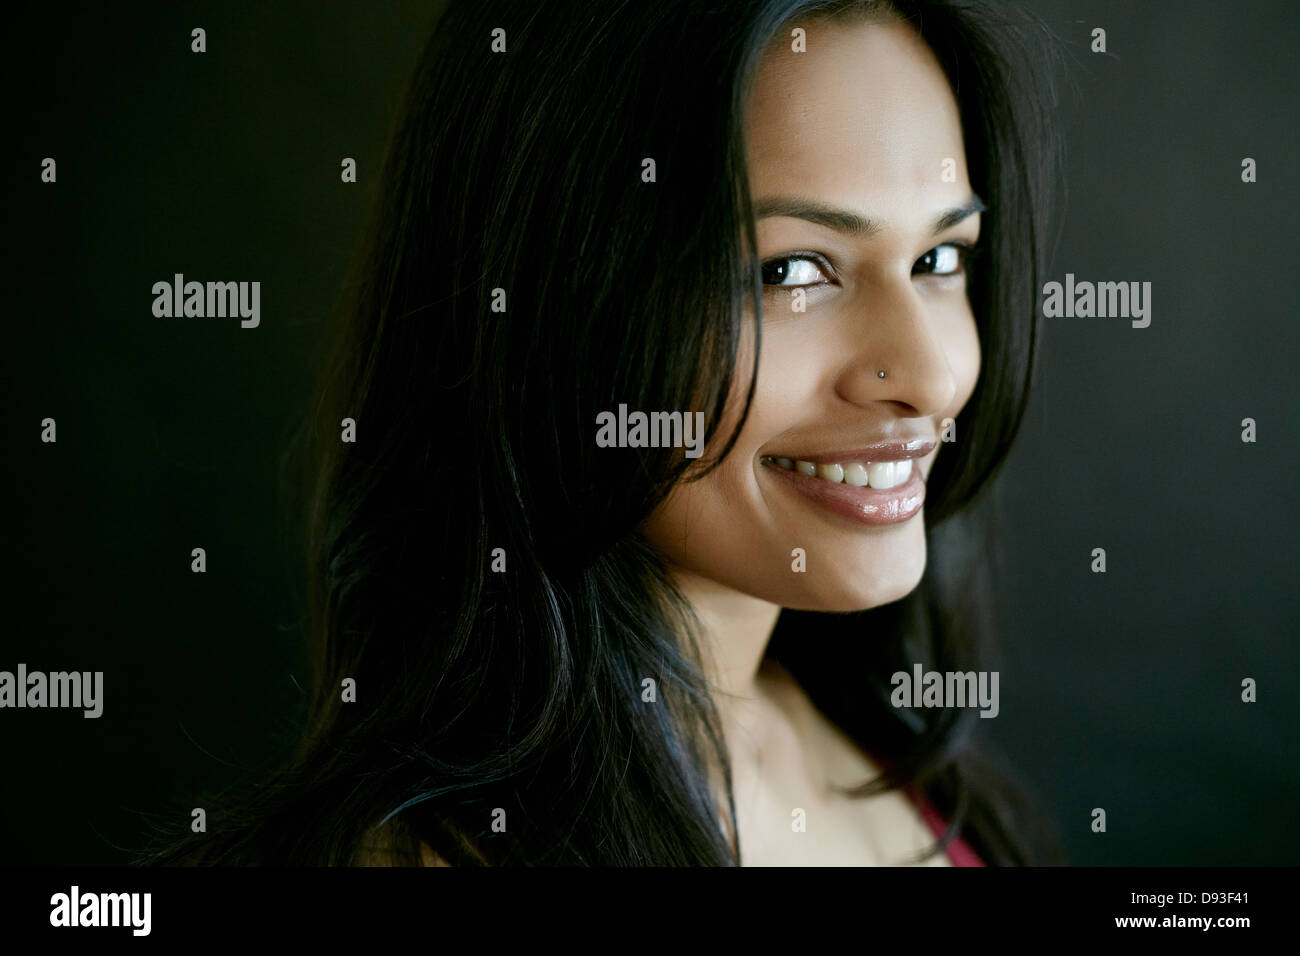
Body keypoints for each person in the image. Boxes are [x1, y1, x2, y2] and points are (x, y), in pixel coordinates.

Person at [145, 0, 1063, 867]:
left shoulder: (875, 744)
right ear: (551, 300)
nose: (932, 374)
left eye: (939, 259)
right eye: (792, 270)